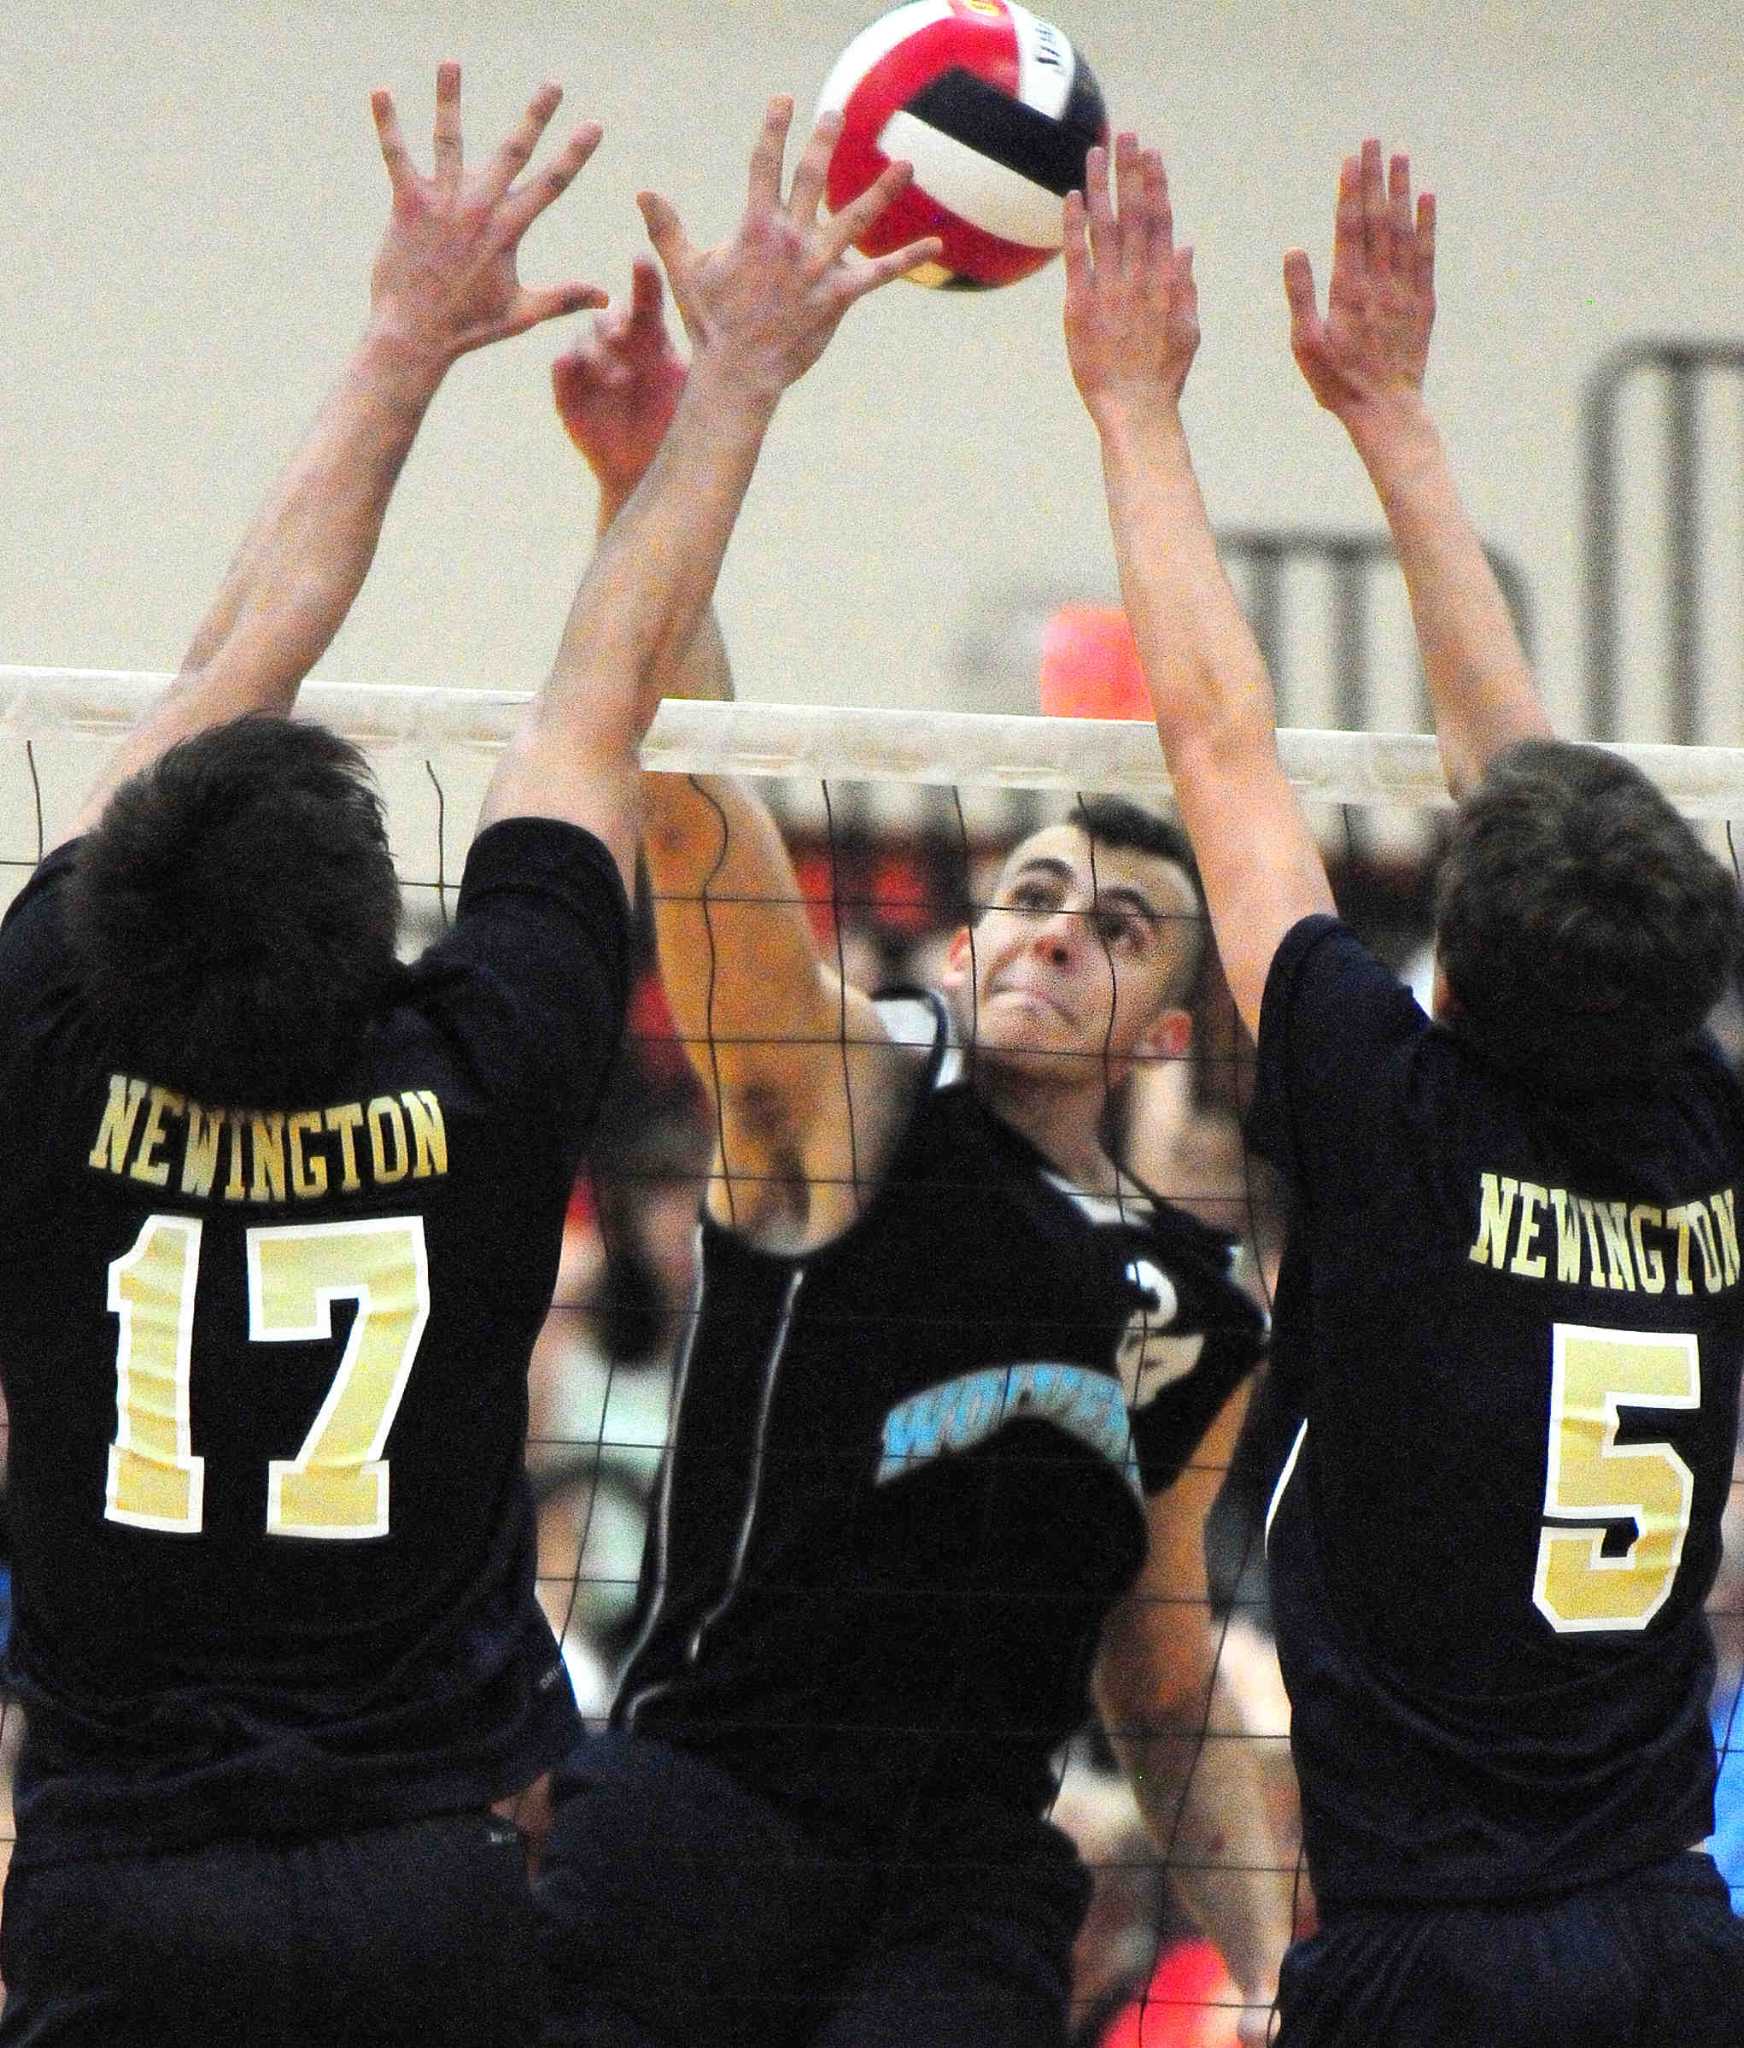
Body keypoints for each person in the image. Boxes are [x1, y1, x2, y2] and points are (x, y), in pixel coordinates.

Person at [0, 61, 753, 2047]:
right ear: (376, 920)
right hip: (424, 1871)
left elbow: (232, 655)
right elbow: (592, 716)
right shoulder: (483, 1065)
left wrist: (396, 346)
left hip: (113, 1878)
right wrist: (731, 398)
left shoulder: (46, 1031)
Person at [534, 132, 1290, 2048]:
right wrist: (675, 465)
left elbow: (1163, 1652)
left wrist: (1279, 1964)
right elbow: (704, 823)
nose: (1053, 933)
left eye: (1118, 929)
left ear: (1167, 1035)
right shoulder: (853, 1124)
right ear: (958, 948)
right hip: (708, 1823)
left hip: (960, 1880)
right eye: (1027, 896)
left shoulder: (1200, 1313)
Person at [1065, 129, 1744, 2045]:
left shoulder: (1396, 1113)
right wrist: (1398, 423)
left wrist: (1134, 407)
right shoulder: (1703, 1129)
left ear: (1464, 964)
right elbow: (1519, 781)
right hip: (1672, 1940)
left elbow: (1215, 740)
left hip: (1431, 1950)